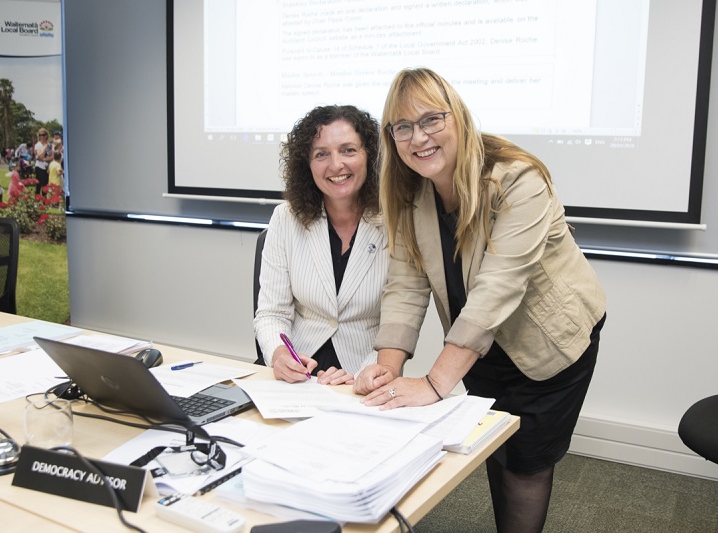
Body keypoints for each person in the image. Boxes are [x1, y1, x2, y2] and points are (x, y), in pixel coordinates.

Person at [355, 68, 607, 533]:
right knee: (495, 444)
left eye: (431, 119)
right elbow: (405, 286)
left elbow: (497, 289)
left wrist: (435, 384)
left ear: (458, 116)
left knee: (526, 463)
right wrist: (388, 370)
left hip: (549, 342)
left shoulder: (517, 180)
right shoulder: (411, 193)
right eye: (403, 126)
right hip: (478, 346)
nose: (419, 137)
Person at [253, 105, 388, 385]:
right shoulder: (286, 218)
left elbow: (398, 325)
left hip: (364, 373)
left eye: (348, 150)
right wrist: (280, 356)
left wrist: (364, 374)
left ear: (370, 155)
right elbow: (271, 313)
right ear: (307, 164)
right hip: (298, 373)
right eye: (321, 154)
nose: (336, 165)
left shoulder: (395, 222)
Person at [34, 128, 53, 194]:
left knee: (45, 186)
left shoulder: (50, 145)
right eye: (40, 135)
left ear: (46, 135)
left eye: (43, 135)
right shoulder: (38, 145)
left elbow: (52, 157)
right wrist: (44, 148)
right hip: (39, 167)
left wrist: (44, 159)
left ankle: (44, 199)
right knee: (39, 185)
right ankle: (37, 198)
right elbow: (39, 156)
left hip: (47, 167)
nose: (41, 137)